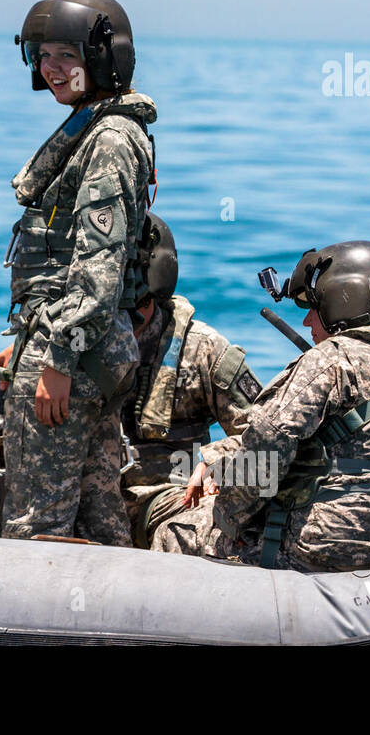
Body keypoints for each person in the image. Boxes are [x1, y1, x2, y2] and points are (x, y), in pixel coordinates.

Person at [153, 241, 370, 571]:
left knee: (176, 533)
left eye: (314, 308)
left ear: (342, 302)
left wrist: (227, 505)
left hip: (325, 544)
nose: (308, 322)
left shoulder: (329, 360)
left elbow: (266, 450)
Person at [0, 0, 157, 546]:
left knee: (36, 521)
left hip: (69, 348)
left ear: (101, 56)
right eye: (43, 55)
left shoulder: (108, 140)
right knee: (97, 514)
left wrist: (57, 358)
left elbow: (99, 263)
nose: (52, 68)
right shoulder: (102, 130)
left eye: (67, 54)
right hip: (92, 349)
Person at [119, 213, 261, 547]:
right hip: (87, 494)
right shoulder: (72, 344)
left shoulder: (203, 349)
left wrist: (215, 462)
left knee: (209, 525)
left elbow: (263, 437)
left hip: (169, 501)